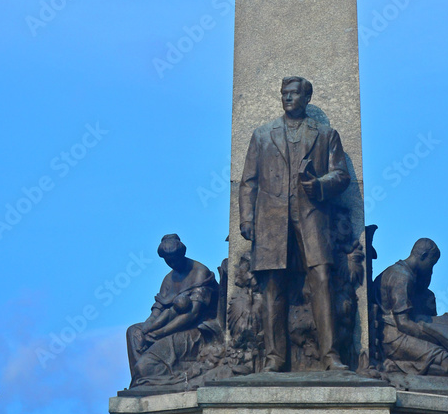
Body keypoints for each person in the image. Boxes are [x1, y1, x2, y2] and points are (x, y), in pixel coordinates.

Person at [239, 76, 350, 371]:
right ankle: (275, 357)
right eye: (284, 94)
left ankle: (330, 354)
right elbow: (248, 181)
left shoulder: (326, 134)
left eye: (294, 94)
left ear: (307, 98)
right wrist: (247, 218)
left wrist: (320, 185)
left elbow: (341, 175)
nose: (288, 98)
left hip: (311, 216)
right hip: (271, 220)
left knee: (322, 279)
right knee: (273, 286)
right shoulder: (263, 135)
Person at [126, 234, 220, 388]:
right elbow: (157, 311)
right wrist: (147, 328)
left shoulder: (199, 273)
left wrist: (160, 332)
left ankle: (152, 376)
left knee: (148, 360)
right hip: (169, 325)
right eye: (167, 260)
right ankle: (142, 381)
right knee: (134, 332)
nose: (172, 263)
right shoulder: (168, 279)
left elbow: (193, 314)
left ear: (182, 254)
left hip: (196, 330)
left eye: (174, 258)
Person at [376, 238, 448, 377]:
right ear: (423, 256)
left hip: (401, 331)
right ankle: (392, 367)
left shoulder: (408, 275)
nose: (431, 269)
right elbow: (403, 323)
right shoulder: (401, 276)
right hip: (392, 337)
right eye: (431, 263)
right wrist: (440, 337)